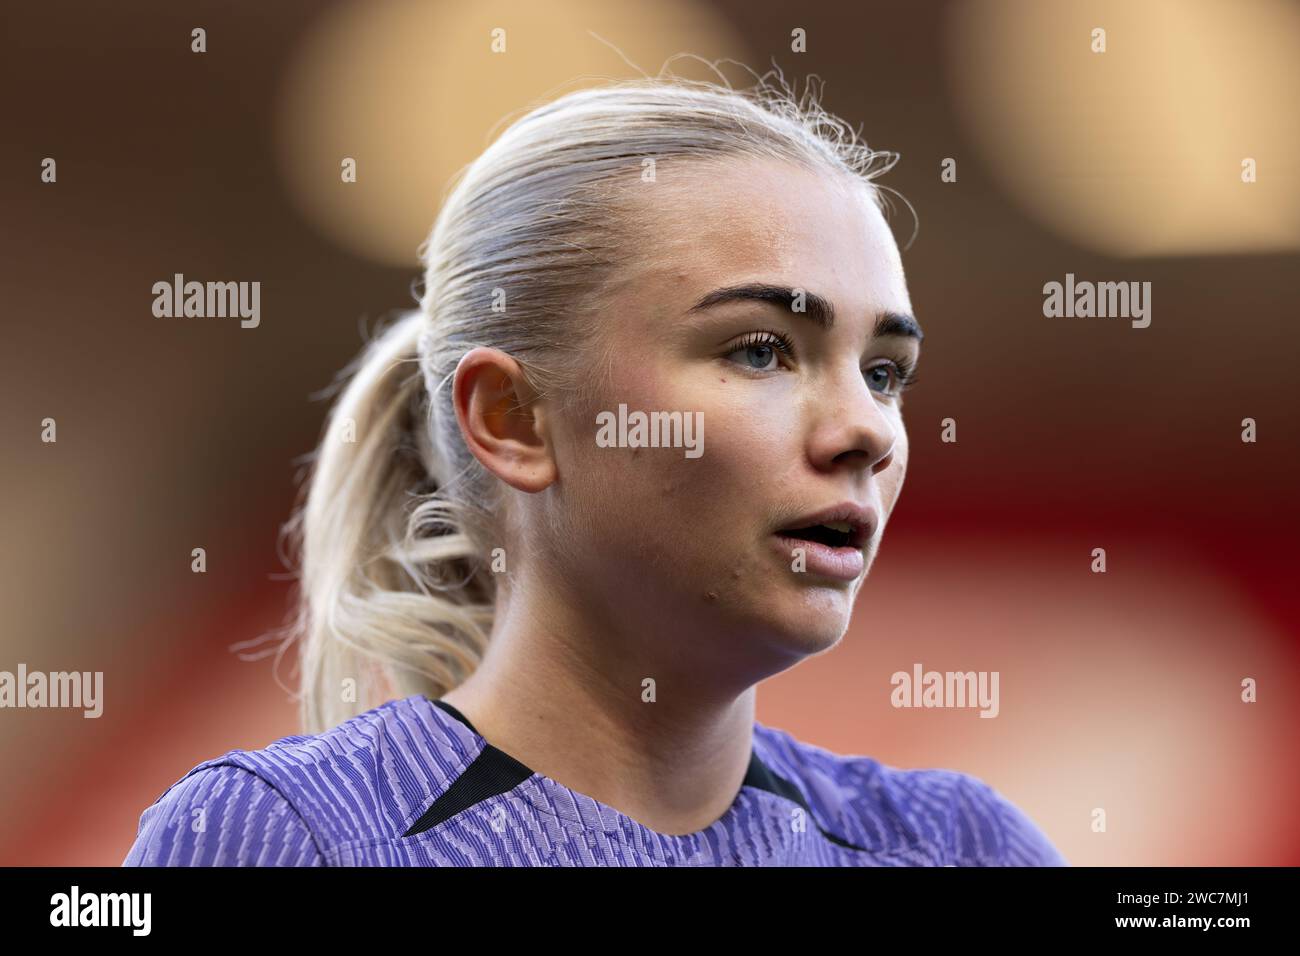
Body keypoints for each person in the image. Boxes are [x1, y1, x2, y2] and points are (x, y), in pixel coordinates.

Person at [123, 71, 1067, 867]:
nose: (866, 430)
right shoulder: (286, 836)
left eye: (883, 372)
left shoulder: (959, 846)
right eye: (759, 350)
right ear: (513, 419)